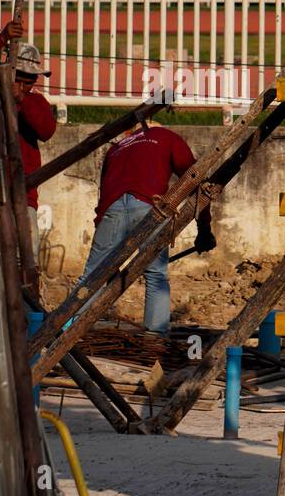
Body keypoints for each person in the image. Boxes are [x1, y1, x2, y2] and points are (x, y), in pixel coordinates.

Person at [78, 120, 215, 335]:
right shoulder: (166, 136)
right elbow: (195, 180)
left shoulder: (117, 148)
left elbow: (105, 192)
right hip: (149, 206)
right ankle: (155, 339)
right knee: (156, 275)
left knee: (91, 275)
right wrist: (204, 227)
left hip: (111, 210)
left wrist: (102, 233)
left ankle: (71, 330)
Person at [0, 17, 55, 253]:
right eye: (21, 78)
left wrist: (21, 99)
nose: (27, 84)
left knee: (27, 263)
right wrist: (3, 38)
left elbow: (46, 130)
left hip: (23, 196)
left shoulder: (36, 102)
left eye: (31, 80)